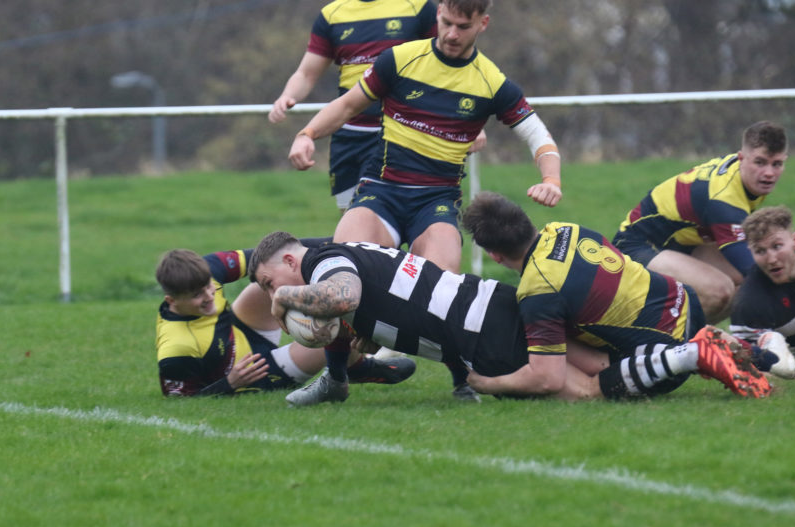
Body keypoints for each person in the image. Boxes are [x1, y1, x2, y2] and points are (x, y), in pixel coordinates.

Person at [286, 0, 562, 399]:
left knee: (440, 292)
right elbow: (347, 105)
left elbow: (539, 136)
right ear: (437, 16)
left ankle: (461, 379)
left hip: (435, 201)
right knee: (339, 267)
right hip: (380, 192)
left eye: (462, 27)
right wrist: (306, 135)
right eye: (446, 23)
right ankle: (336, 380)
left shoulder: (490, 82)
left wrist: (550, 178)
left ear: (483, 24)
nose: (451, 34)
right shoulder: (399, 59)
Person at [248, 230, 771, 404]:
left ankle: (694, 353)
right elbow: (370, 315)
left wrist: (283, 300)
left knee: (586, 389)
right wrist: (340, 372)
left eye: (272, 280)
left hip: (486, 335)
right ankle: (753, 356)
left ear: (292, 262)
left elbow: (339, 299)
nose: (277, 293)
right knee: (595, 362)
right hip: (493, 304)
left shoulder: (325, 262)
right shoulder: (337, 249)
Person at [459, 191, 772, 399]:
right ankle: (760, 355)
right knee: (577, 332)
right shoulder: (566, 228)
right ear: (525, 221)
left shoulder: (538, 290)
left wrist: (488, 383)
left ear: (495, 255)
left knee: (588, 390)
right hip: (685, 301)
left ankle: (692, 356)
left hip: (661, 349)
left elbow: (548, 379)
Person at [155, 246, 415, 397]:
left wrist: (334, 249)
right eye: (197, 296)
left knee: (273, 276)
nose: (209, 295)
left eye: (208, 287)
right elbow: (182, 402)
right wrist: (230, 383)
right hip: (254, 372)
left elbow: (266, 257)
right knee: (330, 326)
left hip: (242, 331)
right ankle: (358, 367)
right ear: (172, 300)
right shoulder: (175, 349)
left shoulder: (207, 272)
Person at [269, 0, 439, 213]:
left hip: (401, 134)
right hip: (349, 136)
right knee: (351, 225)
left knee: (397, 220)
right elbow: (306, 73)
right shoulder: (332, 15)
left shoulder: (419, 7)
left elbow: (445, 66)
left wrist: (462, 122)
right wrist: (287, 96)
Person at [612, 121, 788, 323]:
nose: (769, 173)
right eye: (760, 162)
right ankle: (666, 345)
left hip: (683, 244)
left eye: (777, 164)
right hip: (636, 246)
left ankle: (695, 340)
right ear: (741, 158)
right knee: (721, 290)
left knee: (745, 286)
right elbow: (752, 268)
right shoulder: (723, 199)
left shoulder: (744, 175)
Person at [729, 206, 795, 379]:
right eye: (761, 251)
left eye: (777, 246)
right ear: (751, 253)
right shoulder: (750, 303)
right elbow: (745, 367)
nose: (771, 259)